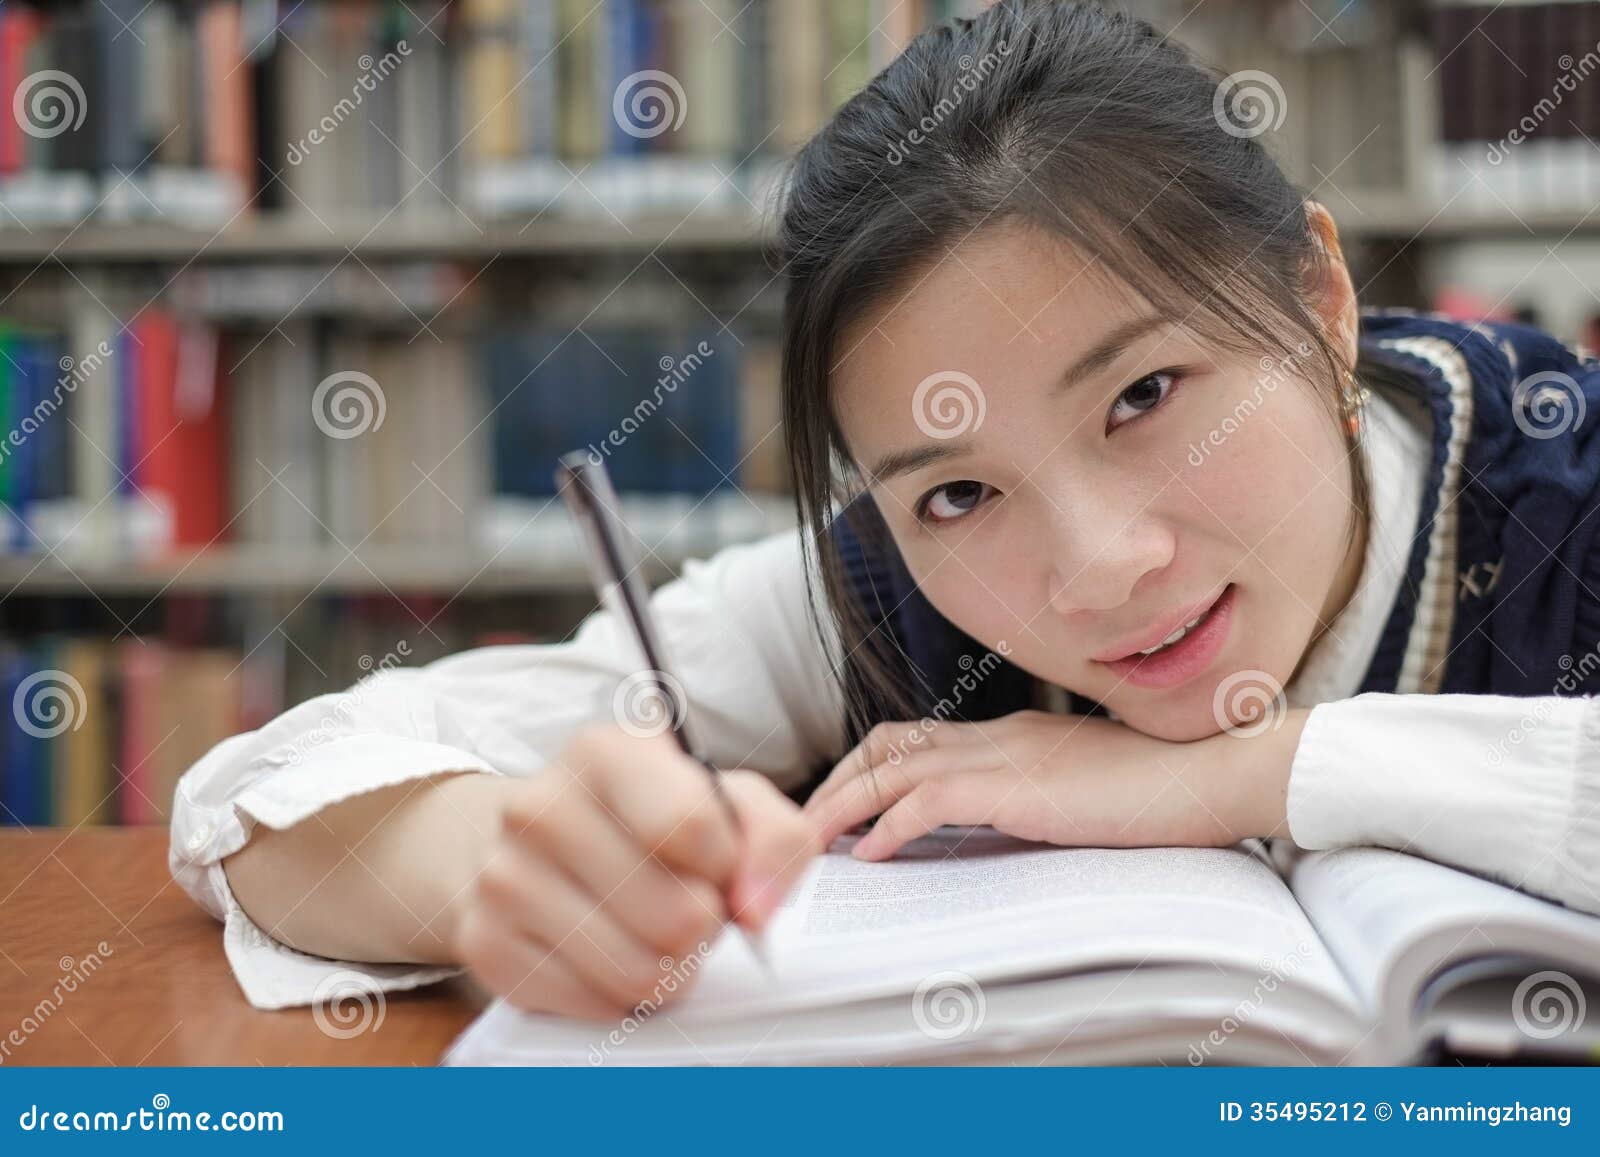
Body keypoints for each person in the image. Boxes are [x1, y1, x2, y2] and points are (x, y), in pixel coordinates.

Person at [171, 0, 1600, 1024]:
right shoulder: (871, 592)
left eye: (1148, 394)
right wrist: (507, 864)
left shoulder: (1559, 480)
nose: (1101, 570)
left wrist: (1244, 773)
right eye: (961, 490)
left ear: (1321, 302)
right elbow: (254, 800)